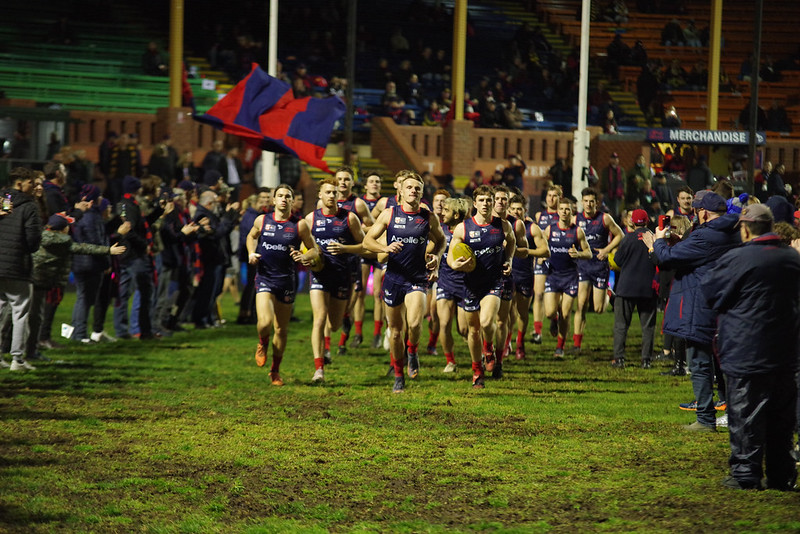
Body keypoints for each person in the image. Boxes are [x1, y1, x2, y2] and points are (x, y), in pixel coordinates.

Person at [701, 204, 800, 490]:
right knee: (782, 418)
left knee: (745, 414)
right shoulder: (791, 260)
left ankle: (746, 472)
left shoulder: (738, 258)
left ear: (745, 229)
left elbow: (710, 292)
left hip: (746, 350)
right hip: (784, 352)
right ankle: (782, 474)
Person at [643, 191, 740, 432]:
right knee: (721, 365)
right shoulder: (733, 231)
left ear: (704, 213)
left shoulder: (706, 235)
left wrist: (656, 241)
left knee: (698, 361)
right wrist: (681, 243)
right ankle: (732, 414)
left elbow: (666, 258)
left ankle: (705, 419)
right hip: (722, 304)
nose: (695, 214)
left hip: (699, 305)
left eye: (697, 210)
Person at [364, 171, 445, 393]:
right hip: (393, 278)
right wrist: (385, 248)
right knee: (396, 331)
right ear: (401, 191)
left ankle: (413, 351)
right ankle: (398, 374)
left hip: (417, 278)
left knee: (416, 323)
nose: (414, 191)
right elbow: (367, 241)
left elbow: (441, 240)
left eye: (417, 188)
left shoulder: (428, 217)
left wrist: (436, 258)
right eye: (409, 187)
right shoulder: (389, 214)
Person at [246, 184, 318, 386]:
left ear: (292, 201)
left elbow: (314, 250)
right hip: (265, 278)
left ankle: (275, 371)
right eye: (280, 196)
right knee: (265, 322)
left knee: (281, 329)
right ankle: (262, 343)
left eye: (288, 196)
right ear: (274, 200)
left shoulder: (300, 225)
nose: (284, 199)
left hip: (286, 280)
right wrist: (251, 253)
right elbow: (251, 236)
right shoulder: (263, 220)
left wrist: (304, 256)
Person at [447, 185, 515, 389]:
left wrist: (509, 259)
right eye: (482, 200)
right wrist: (454, 264)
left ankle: (489, 349)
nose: (486, 204)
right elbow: (451, 254)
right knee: (473, 330)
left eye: (489, 200)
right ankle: (477, 370)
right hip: (470, 284)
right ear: (474, 203)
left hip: (493, 283)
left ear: (493, 203)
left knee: (486, 322)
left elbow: (511, 242)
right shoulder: (463, 228)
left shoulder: (503, 226)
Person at [305, 178, 365, 383]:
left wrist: (345, 249)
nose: (331, 195)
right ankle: (319, 369)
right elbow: (299, 244)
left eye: (334, 192)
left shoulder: (349, 219)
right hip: (319, 274)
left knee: (335, 323)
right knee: (319, 319)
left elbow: (366, 245)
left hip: (342, 275)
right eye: (327, 192)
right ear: (320, 195)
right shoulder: (311, 219)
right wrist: (305, 256)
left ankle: (344, 318)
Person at [0, 168, 42, 371]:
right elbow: (33, 241)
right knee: (20, 311)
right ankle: (17, 359)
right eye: (31, 183)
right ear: (20, 183)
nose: (34, 187)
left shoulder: (1, 200)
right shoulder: (29, 206)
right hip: (17, 266)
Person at [573, 188, 623, 354]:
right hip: (583, 266)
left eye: (591, 201)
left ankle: (608, 292)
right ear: (582, 202)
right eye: (586, 201)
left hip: (600, 266)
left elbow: (620, 235)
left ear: (596, 203)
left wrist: (606, 250)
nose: (588, 204)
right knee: (581, 305)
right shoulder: (576, 219)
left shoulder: (605, 218)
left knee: (599, 309)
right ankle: (576, 344)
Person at [332, 166, 374, 355]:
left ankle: (346, 329)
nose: (342, 182)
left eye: (346, 179)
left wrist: (354, 229)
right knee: (327, 302)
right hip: (330, 260)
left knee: (353, 299)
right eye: (339, 179)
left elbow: (373, 229)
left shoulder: (357, 204)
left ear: (352, 183)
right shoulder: (323, 203)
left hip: (352, 258)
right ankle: (332, 346)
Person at [544, 197, 592, 358]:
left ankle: (560, 346)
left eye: (567, 209)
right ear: (557, 211)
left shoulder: (577, 231)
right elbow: (541, 247)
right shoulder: (550, 230)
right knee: (550, 312)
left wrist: (578, 253)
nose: (564, 212)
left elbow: (589, 252)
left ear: (572, 212)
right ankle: (553, 319)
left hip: (570, 277)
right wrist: (542, 256)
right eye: (562, 209)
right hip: (553, 275)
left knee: (565, 314)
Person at [610, 209, 658, 368]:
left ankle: (619, 359)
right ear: (647, 221)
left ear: (632, 222)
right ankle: (646, 360)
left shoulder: (627, 239)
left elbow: (617, 260)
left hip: (626, 288)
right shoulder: (654, 238)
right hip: (648, 288)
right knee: (648, 327)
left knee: (621, 325)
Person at [509, 194, 549, 360]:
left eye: (520, 209)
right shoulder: (504, 225)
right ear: (508, 210)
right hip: (507, 274)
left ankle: (520, 343)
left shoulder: (532, 228)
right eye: (513, 209)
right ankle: (506, 343)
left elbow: (545, 251)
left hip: (525, 275)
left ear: (525, 210)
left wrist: (527, 252)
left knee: (522, 312)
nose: (517, 212)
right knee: (506, 312)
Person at [436, 197, 471, 372]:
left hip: (465, 284)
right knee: (444, 324)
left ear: (456, 214)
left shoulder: (468, 231)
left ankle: (481, 353)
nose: (442, 213)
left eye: (446, 210)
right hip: (445, 282)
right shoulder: (439, 230)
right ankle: (450, 361)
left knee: (464, 329)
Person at [237, 188, 272, 325]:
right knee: (251, 285)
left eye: (267, 198)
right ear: (257, 199)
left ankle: (251, 313)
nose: (265, 200)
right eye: (263, 198)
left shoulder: (261, 214)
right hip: (253, 254)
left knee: (254, 285)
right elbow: (249, 236)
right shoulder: (251, 215)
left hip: (259, 254)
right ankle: (245, 313)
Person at [532, 185, 561, 343]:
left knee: (557, 297)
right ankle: (538, 332)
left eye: (555, 195)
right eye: (549, 195)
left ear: (559, 198)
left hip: (558, 261)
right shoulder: (539, 215)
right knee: (538, 294)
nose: (551, 198)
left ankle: (554, 317)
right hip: (542, 260)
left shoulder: (563, 214)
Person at [360, 172, 386, 348]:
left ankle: (377, 334)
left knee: (378, 293)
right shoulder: (359, 203)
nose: (375, 184)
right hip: (363, 250)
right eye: (371, 181)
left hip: (379, 250)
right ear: (365, 186)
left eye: (377, 181)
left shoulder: (385, 203)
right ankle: (357, 332)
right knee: (359, 291)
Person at [599, 152, 625, 218]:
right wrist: (602, 192)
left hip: (617, 194)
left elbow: (623, 182)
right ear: (610, 159)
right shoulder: (606, 170)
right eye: (613, 158)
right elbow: (603, 181)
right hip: (608, 193)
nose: (615, 160)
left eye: (616, 158)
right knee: (607, 211)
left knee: (616, 212)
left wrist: (623, 193)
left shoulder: (621, 170)